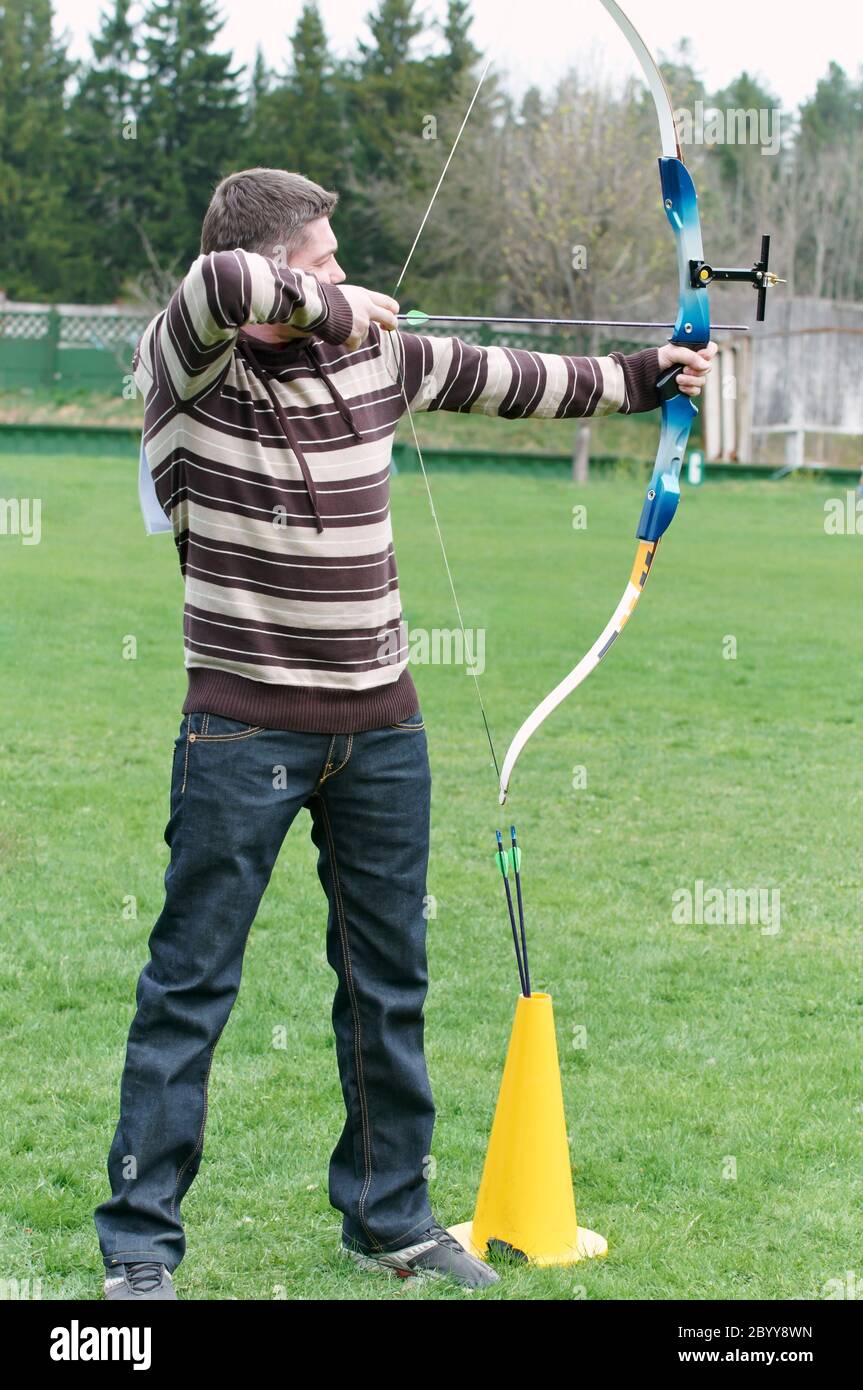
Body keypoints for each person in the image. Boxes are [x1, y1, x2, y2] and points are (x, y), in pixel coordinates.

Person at [94, 167, 715, 1299]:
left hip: (381, 730)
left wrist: (646, 375)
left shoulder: (376, 357)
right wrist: (330, 301)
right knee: (189, 985)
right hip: (240, 726)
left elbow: (520, 376)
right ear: (280, 269)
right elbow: (221, 281)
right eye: (320, 261)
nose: (344, 279)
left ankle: (390, 1218)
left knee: (388, 981)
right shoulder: (190, 364)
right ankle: (139, 1248)